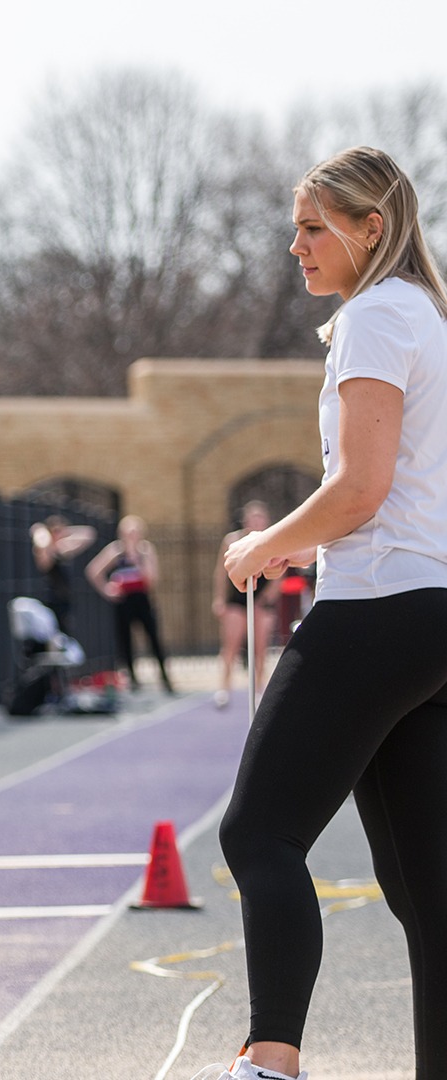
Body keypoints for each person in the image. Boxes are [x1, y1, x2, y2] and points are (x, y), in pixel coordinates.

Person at [212, 146, 447, 1080]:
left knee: (257, 833)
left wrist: (261, 546)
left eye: (315, 228)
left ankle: (269, 1067)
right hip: (431, 620)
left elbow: (359, 490)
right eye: (296, 227)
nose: (297, 247)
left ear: (371, 230)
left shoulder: (378, 316)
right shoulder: (429, 316)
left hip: (377, 611)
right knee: (427, 894)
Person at [83, 514, 175, 694]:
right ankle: (132, 678)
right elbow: (93, 570)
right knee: (125, 640)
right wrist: (107, 589)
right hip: (123, 600)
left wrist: (138, 560)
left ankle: (164, 676)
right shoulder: (116, 550)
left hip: (141, 598)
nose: (132, 535)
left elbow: (153, 578)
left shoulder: (146, 550)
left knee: (153, 637)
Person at [212, 501, 279, 709]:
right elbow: (221, 572)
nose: (257, 521)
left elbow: (279, 577)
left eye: (261, 517)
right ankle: (224, 688)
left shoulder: (274, 539)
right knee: (231, 644)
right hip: (237, 598)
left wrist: (264, 599)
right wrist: (219, 599)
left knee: (261, 647)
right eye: (253, 517)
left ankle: (260, 689)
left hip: (262, 599)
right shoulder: (233, 540)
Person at [30, 514, 95, 632]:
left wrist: (66, 532)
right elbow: (43, 560)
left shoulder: (62, 549)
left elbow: (89, 534)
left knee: (64, 632)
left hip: (64, 598)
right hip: (50, 598)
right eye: (56, 531)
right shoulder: (45, 550)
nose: (59, 534)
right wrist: (44, 533)